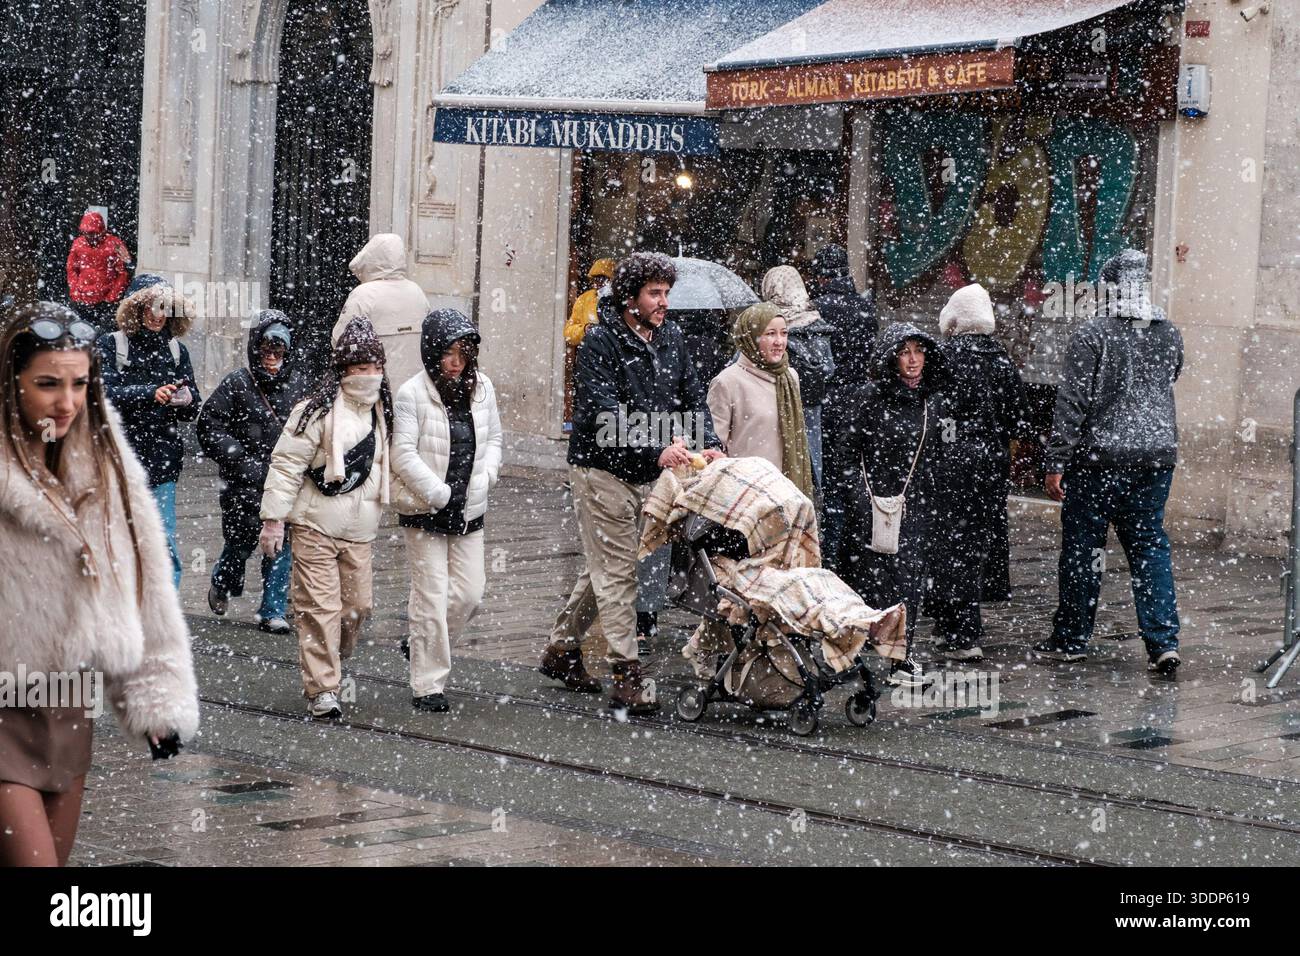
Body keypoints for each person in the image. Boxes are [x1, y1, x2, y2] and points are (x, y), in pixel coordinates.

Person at [0, 303, 197, 867]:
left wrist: (158, 700)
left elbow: (146, 591)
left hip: (68, 710)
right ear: (10, 382)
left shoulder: (107, 466)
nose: (66, 402)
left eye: (79, 384)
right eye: (46, 384)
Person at [539, 252, 724, 714]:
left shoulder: (673, 338)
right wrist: (654, 447)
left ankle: (561, 649)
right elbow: (604, 414)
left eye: (666, 293)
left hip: (650, 475)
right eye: (654, 294)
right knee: (620, 570)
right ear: (630, 298)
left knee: (607, 565)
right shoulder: (601, 342)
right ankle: (626, 674)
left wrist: (709, 442)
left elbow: (692, 399)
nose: (663, 302)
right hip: (601, 471)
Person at [1038, 250, 1184, 674]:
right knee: (1149, 547)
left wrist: (1056, 460)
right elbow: (1172, 376)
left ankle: (1071, 637)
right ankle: (1163, 641)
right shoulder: (1168, 331)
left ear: (1109, 288)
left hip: (1100, 459)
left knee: (1084, 549)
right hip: (1155, 457)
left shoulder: (1093, 334)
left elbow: (1072, 403)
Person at [259, 317, 392, 718]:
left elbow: (393, 467)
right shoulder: (314, 412)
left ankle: (332, 654)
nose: (367, 376)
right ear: (342, 371)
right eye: (358, 368)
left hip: (360, 532)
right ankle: (323, 690)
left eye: (374, 368)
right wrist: (273, 520)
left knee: (357, 609)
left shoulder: (385, 414)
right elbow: (285, 466)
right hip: (315, 526)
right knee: (318, 609)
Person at [391, 309, 502, 713]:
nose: (457, 361)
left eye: (464, 352)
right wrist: (436, 492)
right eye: (449, 353)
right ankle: (428, 683)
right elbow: (401, 453)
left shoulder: (483, 388)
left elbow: (494, 442)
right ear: (432, 352)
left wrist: (487, 475)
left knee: (469, 594)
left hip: (470, 508)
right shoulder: (412, 394)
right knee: (430, 597)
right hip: (426, 509)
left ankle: (419, 642)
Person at [835, 323, 946, 688]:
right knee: (867, 579)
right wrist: (860, 498)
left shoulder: (932, 400)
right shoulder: (869, 397)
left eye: (919, 351)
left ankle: (901, 655)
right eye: (905, 352)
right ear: (891, 357)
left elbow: (937, 454)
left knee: (909, 581)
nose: (913, 360)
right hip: (872, 505)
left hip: (914, 504)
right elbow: (847, 452)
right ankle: (850, 650)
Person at [927, 284, 1029, 661]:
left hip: (950, 465)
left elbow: (935, 415)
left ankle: (961, 630)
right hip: (990, 466)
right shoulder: (1001, 360)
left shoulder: (944, 358)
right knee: (974, 544)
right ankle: (953, 622)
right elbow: (1020, 418)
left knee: (950, 545)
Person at [197, 311, 305, 634]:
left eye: (279, 350)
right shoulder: (238, 383)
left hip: (281, 484)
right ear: (256, 347)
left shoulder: (297, 385)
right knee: (239, 546)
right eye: (267, 348)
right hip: (243, 486)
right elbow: (209, 425)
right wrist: (240, 459)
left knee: (280, 546)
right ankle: (222, 583)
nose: (272, 357)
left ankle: (272, 610)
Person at [95, 274, 201, 591]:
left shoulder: (177, 352)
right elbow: (102, 394)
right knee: (117, 540)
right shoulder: (111, 345)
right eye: (151, 307)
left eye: (163, 307)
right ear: (137, 310)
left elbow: (193, 407)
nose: (157, 315)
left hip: (161, 462)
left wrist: (186, 400)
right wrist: (149, 393)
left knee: (162, 542)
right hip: (119, 459)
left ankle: (164, 618)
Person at [809, 244, 877, 568]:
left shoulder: (817, 310)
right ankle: (854, 559)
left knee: (830, 486)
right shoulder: (864, 308)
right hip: (859, 405)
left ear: (821, 276)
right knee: (855, 483)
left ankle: (830, 560)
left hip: (828, 406)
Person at [707, 301, 813, 496]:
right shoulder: (727, 382)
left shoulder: (789, 377)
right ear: (751, 337)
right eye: (770, 334)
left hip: (787, 491)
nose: (779, 342)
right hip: (745, 493)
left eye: (784, 333)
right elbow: (712, 446)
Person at [760, 266, 833, 495]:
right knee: (808, 466)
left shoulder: (770, 325)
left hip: (775, 413)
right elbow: (829, 369)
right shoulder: (816, 323)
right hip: (812, 409)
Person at [331, 234, 430, 390]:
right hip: (413, 387)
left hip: (374, 387)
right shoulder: (416, 292)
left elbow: (340, 341)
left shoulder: (363, 295)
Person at [65, 212, 131, 336]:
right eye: (86, 233)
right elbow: (71, 268)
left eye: (93, 233)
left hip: (104, 302)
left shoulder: (114, 244)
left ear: (101, 231)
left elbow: (122, 273)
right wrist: (74, 290)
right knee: (80, 334)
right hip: (83, 299)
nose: (90, 236)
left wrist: (112, 296)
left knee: (102, 335)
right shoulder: (78, 243)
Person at [563, 259, 616, 348]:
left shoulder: (621, 299)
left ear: (612, 279)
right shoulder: (584, 299)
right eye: (595, 279)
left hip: (615, 354)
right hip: (590, 354)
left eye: (603, 278)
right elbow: (568, 333)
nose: (598, 283)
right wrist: (584, 329)